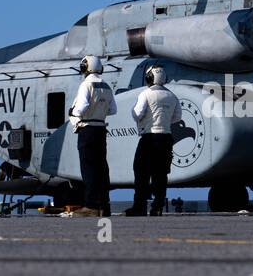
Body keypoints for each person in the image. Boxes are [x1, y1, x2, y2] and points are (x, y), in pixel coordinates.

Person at [126, 65, 181, 217]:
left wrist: (134, 111)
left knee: (141, 172)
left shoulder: (146, 93)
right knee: (161, 174)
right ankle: (157, 206)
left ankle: (139, 207)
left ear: (150, 78)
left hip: (149, 137)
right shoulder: (172, 95)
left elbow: (137, 114)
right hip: (166, 136)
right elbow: (177, 117)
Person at [69, 55, 117, 217]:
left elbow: (81, 108)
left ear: (85, 68)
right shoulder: (106, 86)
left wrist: (73, 112)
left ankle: (90, 205)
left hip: (87, 129)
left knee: (88, 168)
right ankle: (104, 205)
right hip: (101, 129)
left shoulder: (85, 85)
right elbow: (113, 110)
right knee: (102, 168)